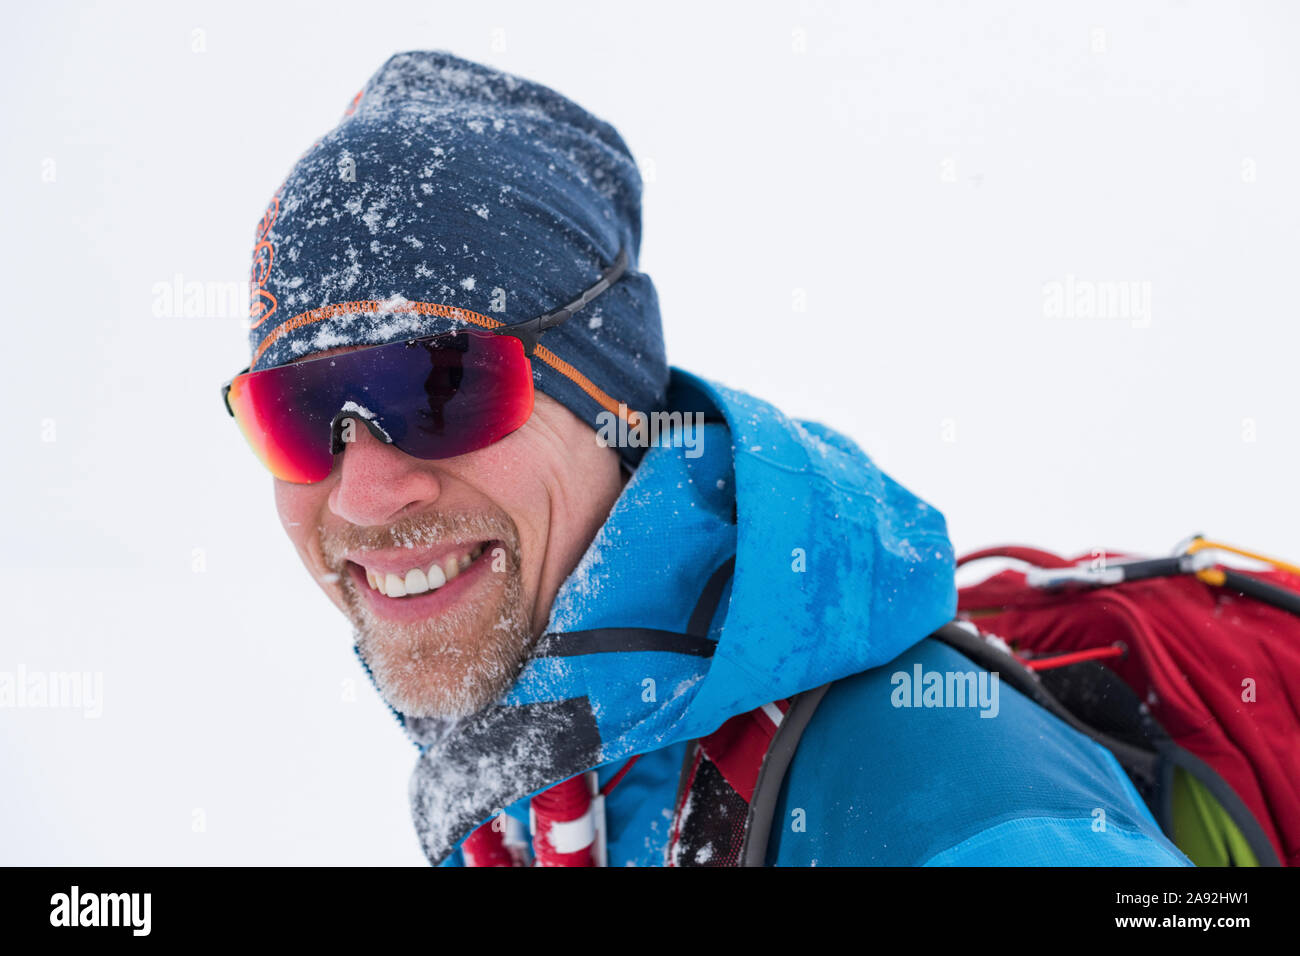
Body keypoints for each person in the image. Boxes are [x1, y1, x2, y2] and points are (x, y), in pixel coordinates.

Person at [222, 50, 1189, 866]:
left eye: (436, 386)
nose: (365, 492)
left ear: (605, 396)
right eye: (298, 414)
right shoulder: (537, 784)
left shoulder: (956, 806)